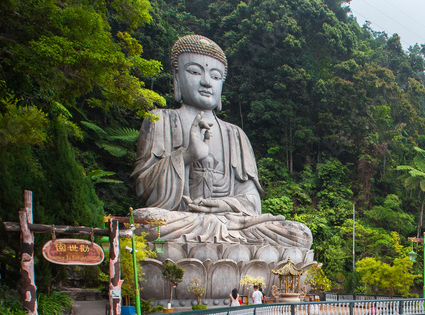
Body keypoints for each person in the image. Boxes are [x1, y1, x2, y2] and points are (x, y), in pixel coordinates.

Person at [132, 35, 312, 248]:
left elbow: (252, 202)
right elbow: (143, 189)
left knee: (299, 234)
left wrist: (223, 205)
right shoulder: (160, 120)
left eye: (215, 76)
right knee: (146, 222)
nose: (206, 82)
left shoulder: (235, 135)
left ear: (222, 85)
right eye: (194, 71)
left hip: (232, 223)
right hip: (182, 219)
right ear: (177, 77)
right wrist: (187, 155)